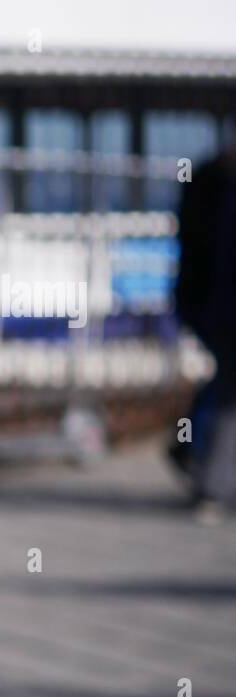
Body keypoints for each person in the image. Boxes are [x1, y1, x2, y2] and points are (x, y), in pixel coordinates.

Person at [174, 145, 236, 523]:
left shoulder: (209, 185)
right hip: (221, 310)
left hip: (212, 309)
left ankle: (189, 453)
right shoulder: (221, 192)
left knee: (224, 389)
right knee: (228, 396)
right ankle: (212, 485)